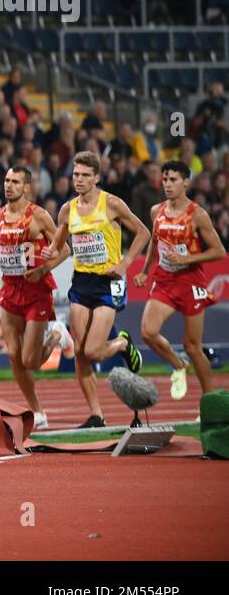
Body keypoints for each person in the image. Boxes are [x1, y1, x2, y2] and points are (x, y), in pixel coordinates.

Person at [47, 151, 150, 428]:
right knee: (80, 351)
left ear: (96, 178)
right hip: (82, 282)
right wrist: (49, 250)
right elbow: (59, 239)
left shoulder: (112, 204)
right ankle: (96, 414)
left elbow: (143, 233)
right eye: (75, 175)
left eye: (84, 175)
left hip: (108, 282)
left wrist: (126, 263)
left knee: (93, 350)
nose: (78, 180)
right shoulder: (68, 209)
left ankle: (123, 343)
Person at [135, 160, 225, 403]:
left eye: (173, 180)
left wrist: (188, 257)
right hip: (165, 278)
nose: (167, 184)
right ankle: (178, 364)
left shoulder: (198, 215)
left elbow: (219, 251)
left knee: (193, 346)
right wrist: (145, 270)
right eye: (165, 179)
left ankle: (209, 402)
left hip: (190, 282)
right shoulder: (157, 211)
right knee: (148, 332)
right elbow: (155, 240)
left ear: (186, 182)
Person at [0, 166, 71, 429]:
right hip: (10, 289)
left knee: (30, 361)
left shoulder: (39, 216)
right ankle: (37, 411)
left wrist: (43, 269)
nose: (9, 185)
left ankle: (58, 333)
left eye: (15, 181)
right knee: (14, 355)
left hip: (36, 291)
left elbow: (65, 249)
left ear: (25, 187)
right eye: (6, 180)